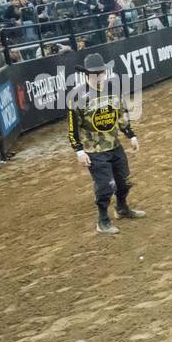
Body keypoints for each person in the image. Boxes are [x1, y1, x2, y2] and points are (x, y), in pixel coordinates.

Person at [67, 52, 146, 234]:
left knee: (123, 180)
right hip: (94, 150)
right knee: (105, 186)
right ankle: (103, 220)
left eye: (101, 72)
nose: (99, 76)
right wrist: (79, 151)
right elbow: (73, 128)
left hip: (114, 145)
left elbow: (121, 114)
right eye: (95, 73)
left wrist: (130, 134)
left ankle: (122, 208)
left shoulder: (113, 89)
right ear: (87, 74)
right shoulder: (77, 96)